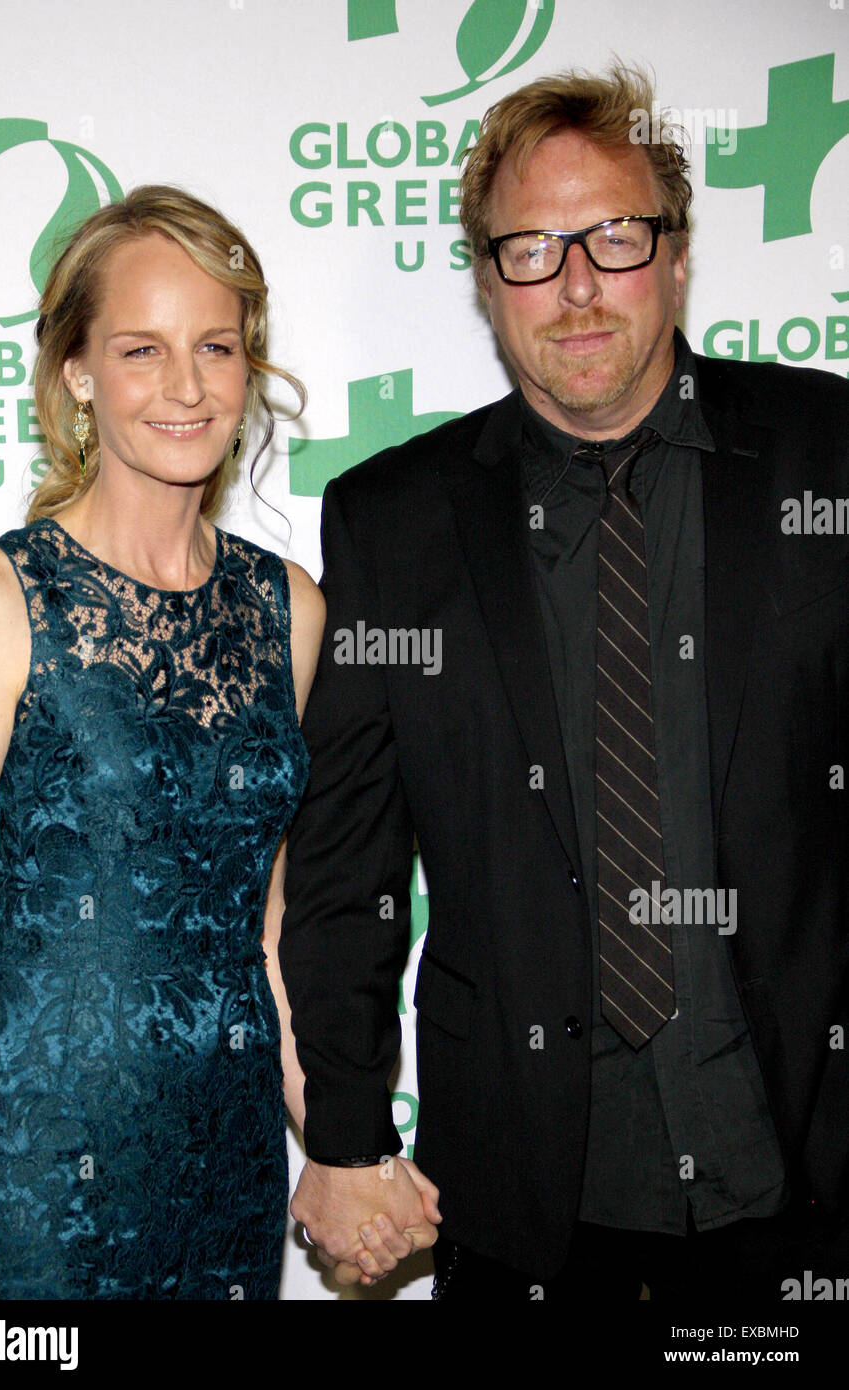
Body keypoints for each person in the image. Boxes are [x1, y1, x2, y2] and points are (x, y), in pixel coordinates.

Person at [280, 66, 849, 1300]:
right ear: (487, 282)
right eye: (532, 247)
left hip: (806, 1192)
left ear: (679, 254)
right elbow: (344, 872)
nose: (578, 284)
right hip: (523, 1209)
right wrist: (343, 1130)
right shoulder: (396, 521)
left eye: (614, 235)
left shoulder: (829, 456)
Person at [0, 184, 341, 1299]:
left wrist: (348, 1150)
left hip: (231, 1174)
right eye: (141, 349)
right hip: (34, 1183)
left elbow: (270, 932)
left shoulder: (287, 611)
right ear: (77, 373)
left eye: (215, 345)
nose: (186, 386)